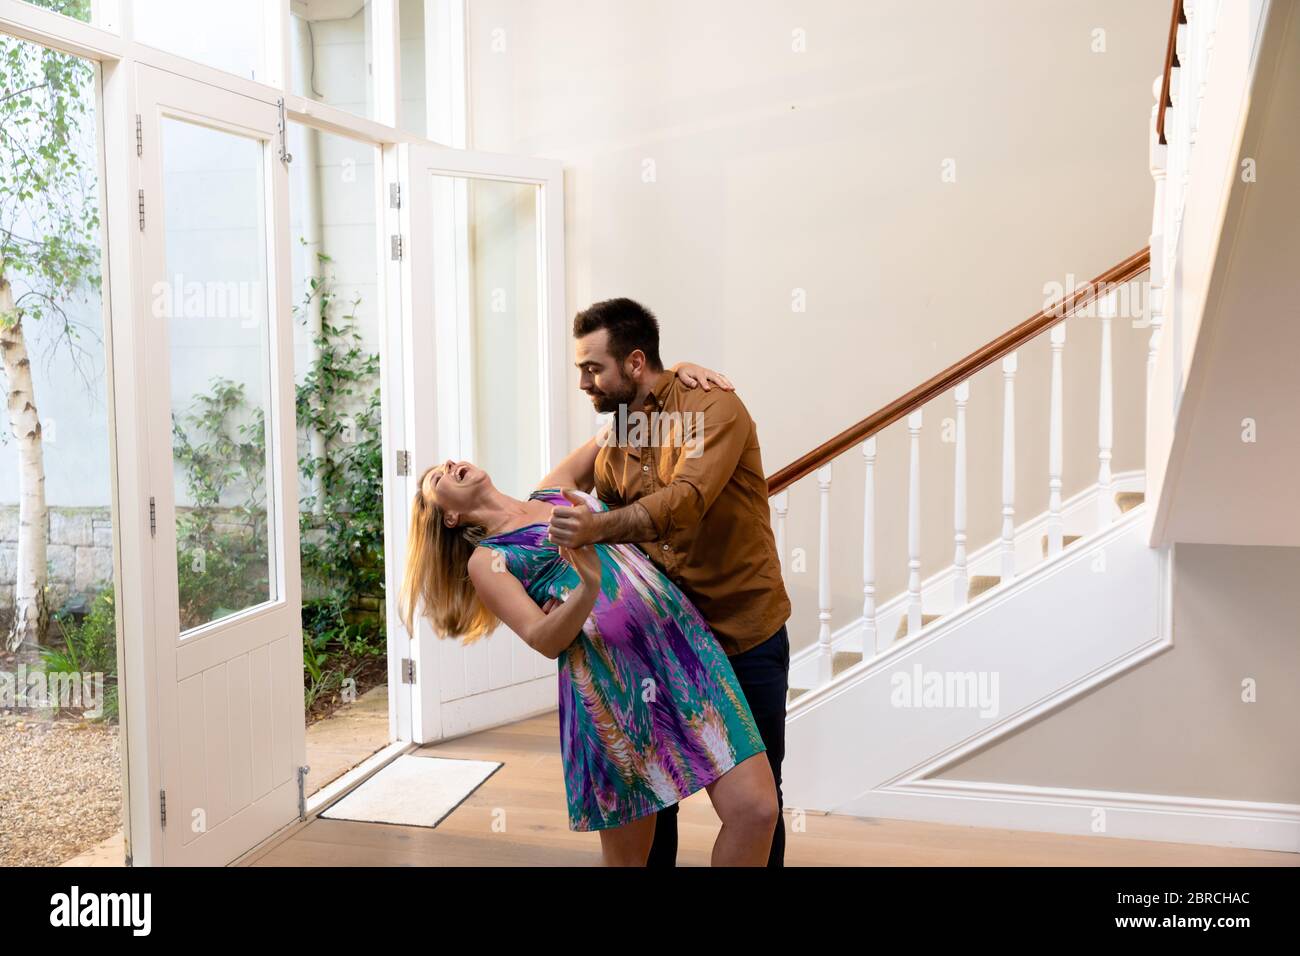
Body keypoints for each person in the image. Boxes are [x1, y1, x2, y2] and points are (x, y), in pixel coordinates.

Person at [398, 452, 779, 866]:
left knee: (757, 811)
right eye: (438, 478)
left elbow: (610, 432)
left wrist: (687, 381)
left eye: (448, 461)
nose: (451, 463)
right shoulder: (488, 561)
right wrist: (588, 583)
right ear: (448, 516)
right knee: (628, 861)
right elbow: (543, 637)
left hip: (686, 655)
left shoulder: (552, 492)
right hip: (613, 692)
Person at [547, 297, 793, 867]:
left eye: (592, 368)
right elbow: (552, 487)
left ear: (633, 362)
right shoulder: (621, 431)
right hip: (665, 642)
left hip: (742, 633)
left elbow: (682, 503)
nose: (583, 381)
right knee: (658, 790)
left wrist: (594, 528)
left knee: (760, 799)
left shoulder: (713, 405)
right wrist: (651, 383)